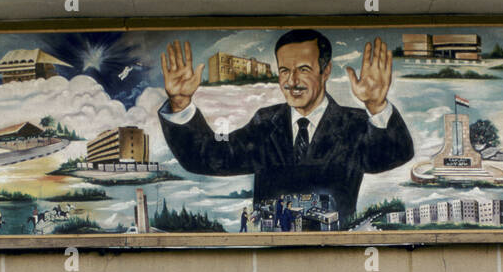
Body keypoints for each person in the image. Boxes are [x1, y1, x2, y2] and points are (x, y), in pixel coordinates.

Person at [158, 29, 413, 227]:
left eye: (303, 70)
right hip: (270, 257)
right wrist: (180, 104)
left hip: (336, 256)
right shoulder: (265, 123)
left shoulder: (353, 124)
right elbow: (209, 158)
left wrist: (377, 105)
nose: (292, 82)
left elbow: (394, 154)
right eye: (284, 71)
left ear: (326, 71)